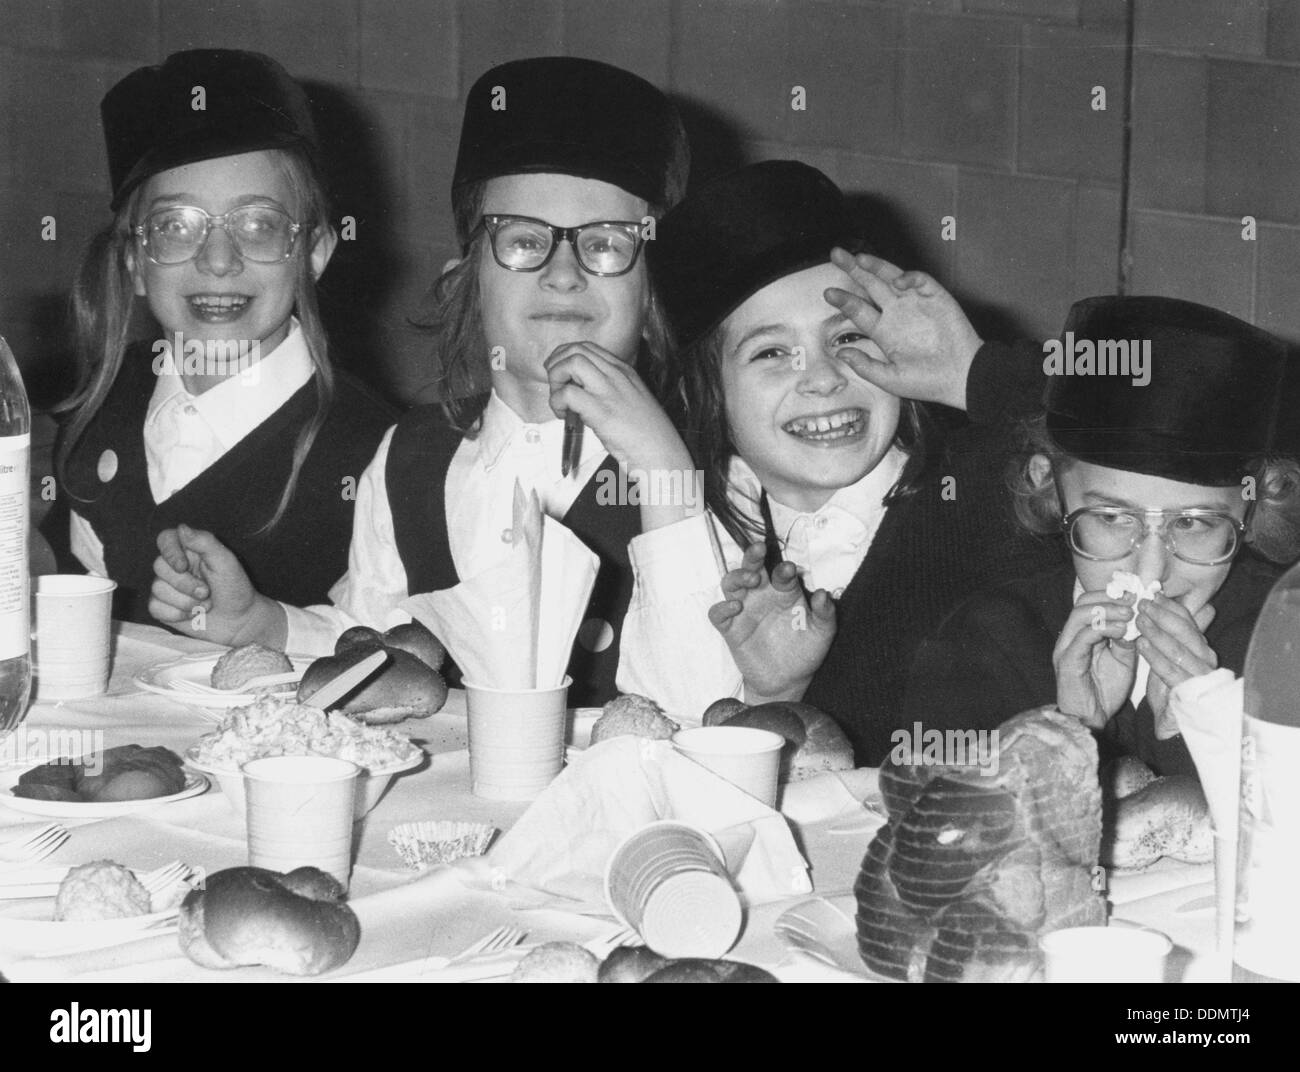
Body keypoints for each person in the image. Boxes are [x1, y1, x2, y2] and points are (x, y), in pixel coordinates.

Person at [148, 57, 697, 706]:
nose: (564, 273)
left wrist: (664, 468)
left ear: (650, 287)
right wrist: (262, 622)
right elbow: (370, 641)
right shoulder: (413, 454)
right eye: (523, 241)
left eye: (605, 244)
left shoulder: (705, 466)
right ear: (467, 278)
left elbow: (712, 715)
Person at [622, 160, 1060, 762]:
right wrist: (776, 692)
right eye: (773, 352)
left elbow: (1179, 420)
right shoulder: (692, 527)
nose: (823, 379)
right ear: (708, 392)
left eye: (847, 337)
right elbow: (653, 761)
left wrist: (976, 373)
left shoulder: (992, 486)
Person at [46, 49, 394, 623]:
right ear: (134, 260)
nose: (217, 261)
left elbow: (394, 651)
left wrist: (267, 623)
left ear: (313, 253)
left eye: (258, 225)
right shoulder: (100, 411)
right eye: (176, 227)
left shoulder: (375, 454)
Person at [902, 296, 1300, 775]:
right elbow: (932, 818)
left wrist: (1201, 733)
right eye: (1112, 517)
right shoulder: (989, 636)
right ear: (1051, 489)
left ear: (1255, 509)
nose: (1151, 571)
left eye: (1193, 523)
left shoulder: (1284, 643)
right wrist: (1070, 730)